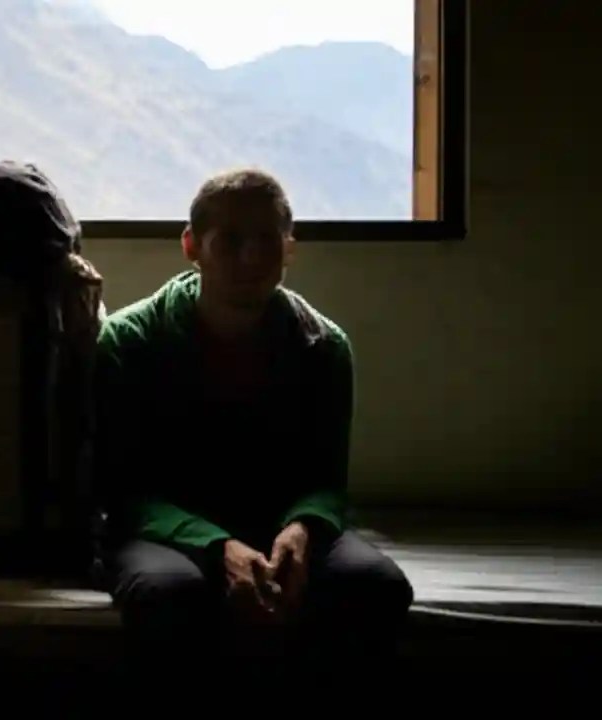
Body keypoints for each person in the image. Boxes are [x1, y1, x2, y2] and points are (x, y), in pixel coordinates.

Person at [91, 168, 413, 678]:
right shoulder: (129, 341)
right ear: (191, 246)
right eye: (231, 241)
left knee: (376, 586)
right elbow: (122, 490)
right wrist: (218, 547)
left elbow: (326, 478)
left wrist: (301, 531)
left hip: (277, 524)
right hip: (165, 532)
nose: (251, 259)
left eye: (266, 240)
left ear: (289, 247)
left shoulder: (322, 346)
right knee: (169, 594)